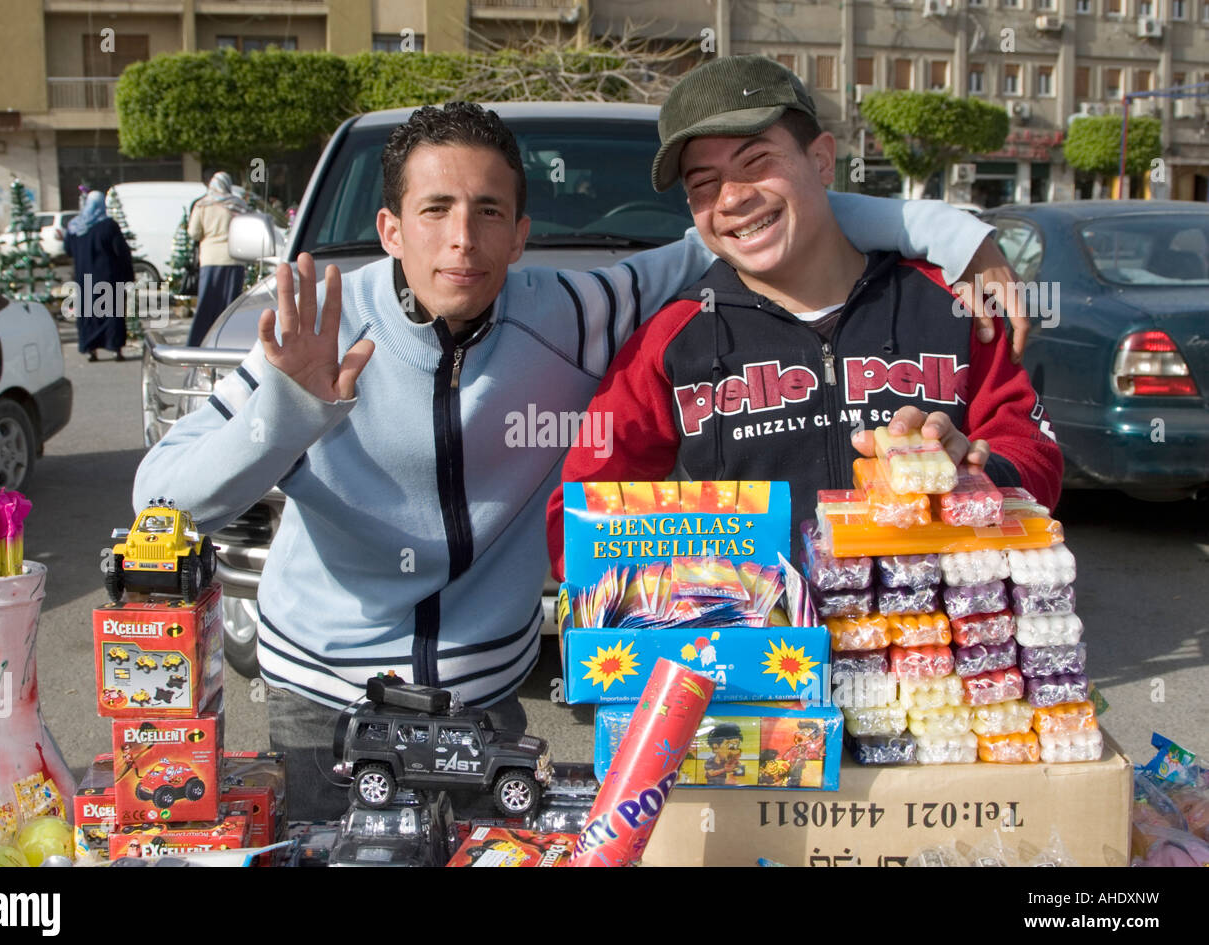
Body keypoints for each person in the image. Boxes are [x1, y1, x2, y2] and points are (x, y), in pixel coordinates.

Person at [135, 100, 1023, 819]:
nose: (462, 241)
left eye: (489, 213)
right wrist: (289, 411)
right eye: (434, 210)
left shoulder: (572, 312)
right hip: (321, 697)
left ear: (521, 234)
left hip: (485, 699)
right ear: (389, 228)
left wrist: (956, 232)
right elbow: (161, 503)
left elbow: (735, 226)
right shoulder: (315, 323)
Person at [545, 55, 1063, 579]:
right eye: (703, 183)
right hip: (753, 657)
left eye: (757, 162)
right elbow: (579, 508)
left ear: (820, 160)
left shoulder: (953, 304)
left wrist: (973, 470)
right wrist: (661, 598)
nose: (733, 197)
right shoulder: (671, 338)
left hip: (925, 648)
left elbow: (1034, 454)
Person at [63, 190, 133, 362]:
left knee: (88, 313)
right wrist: (128, 274)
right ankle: (115, 347)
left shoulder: (75, 227)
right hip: (108, 276)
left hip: (84, 277)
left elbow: (68, 250)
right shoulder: (108, 225)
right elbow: (121, 251)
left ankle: (90, 348)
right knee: (112, 313)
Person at [187, 172, 249, 347]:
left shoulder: (202, 205)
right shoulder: (237, 204)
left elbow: (194, 233)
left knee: (206, 305)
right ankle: (227, 344)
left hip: (210, 259)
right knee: (229, 307)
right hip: (233, 259)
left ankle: (197, 345)